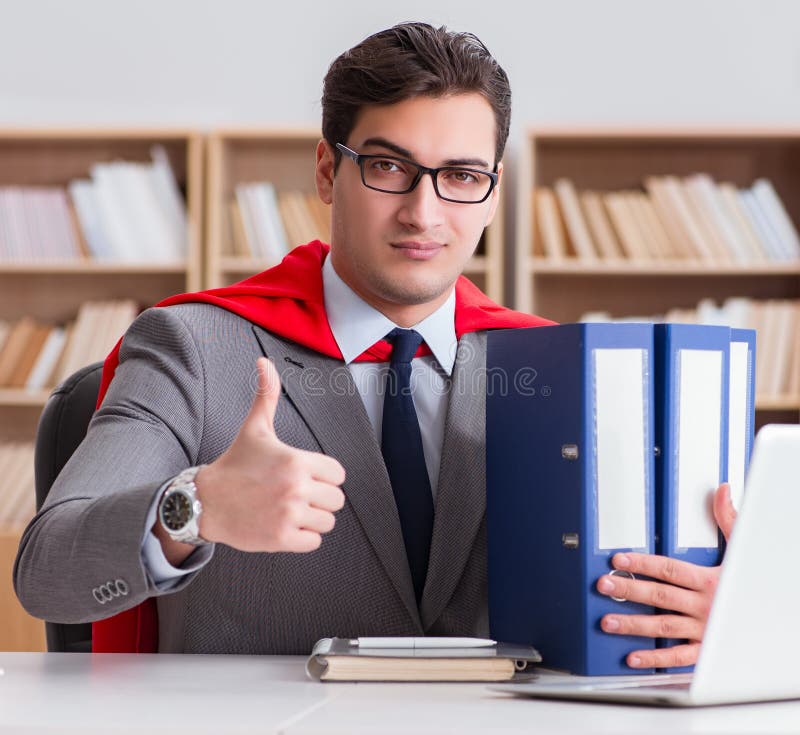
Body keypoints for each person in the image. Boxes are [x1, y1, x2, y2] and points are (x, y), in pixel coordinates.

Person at [14, 22, 735, 666]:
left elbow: (657, 596)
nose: (424, 213)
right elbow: (49, 569)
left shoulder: (570, 376)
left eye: (460, 176)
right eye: (389, 167)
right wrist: (197, 504)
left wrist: (720, 612)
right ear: (329, 172)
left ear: (492, 193)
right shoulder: (192, 348)